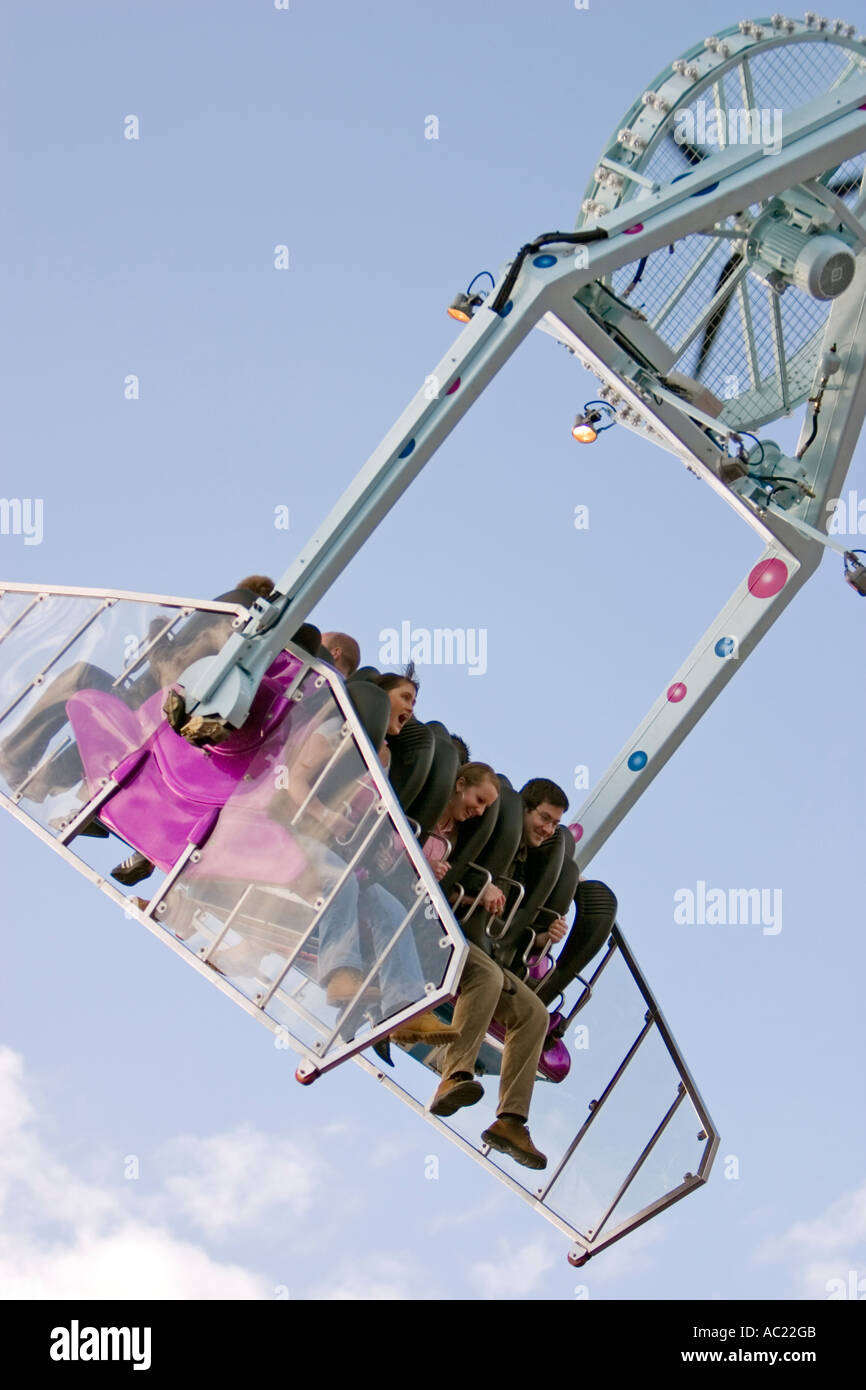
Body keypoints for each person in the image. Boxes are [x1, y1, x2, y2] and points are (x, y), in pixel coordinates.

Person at [275, 664, 458, 1046]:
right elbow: (295, 780)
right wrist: (323, 815)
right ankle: (340, 973)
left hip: (344, 849)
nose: (410, 708)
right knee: (338, 878)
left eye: (414, 701)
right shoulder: (338, 731)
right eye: (405, 697)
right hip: (297, 833)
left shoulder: (385, 758)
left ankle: (403, 1009)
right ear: (378, 697)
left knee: (391, 909)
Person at [426, 776, 571, 1170]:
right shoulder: (489, 832)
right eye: (543, 817)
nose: (547, 828)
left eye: (555, 825)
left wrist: (542, 936)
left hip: (486, 948)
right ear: (523, 808)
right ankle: (454, 1075)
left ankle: (511, 1121)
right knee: (485, 978)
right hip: (444, 930)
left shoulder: (527, 863)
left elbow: (507, 921)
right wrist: (480, 888)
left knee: (534, 1014)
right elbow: (446, 868)